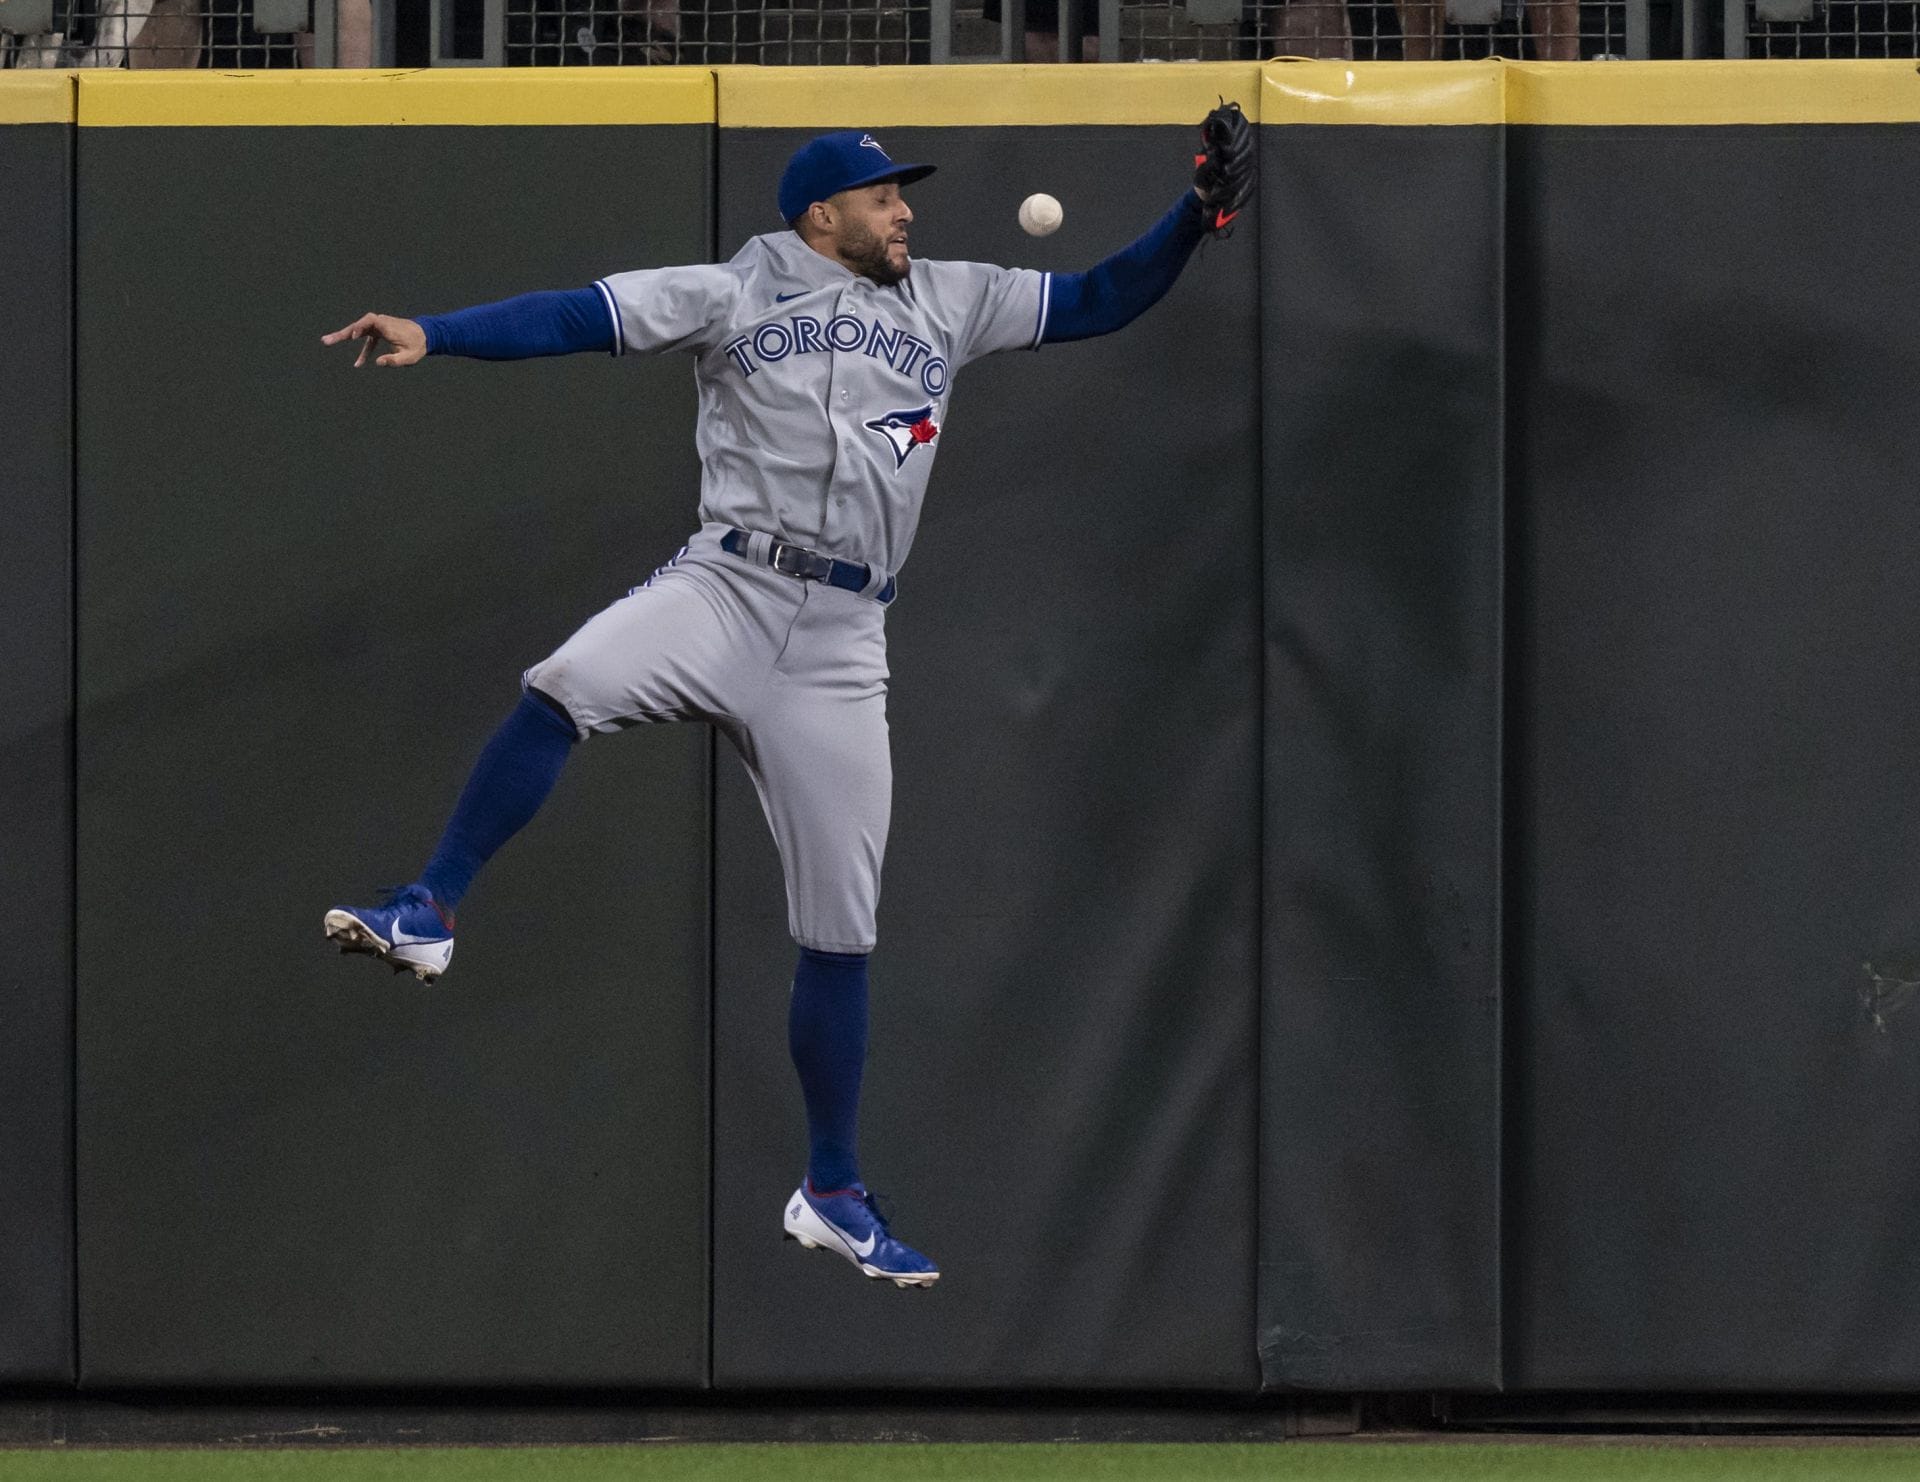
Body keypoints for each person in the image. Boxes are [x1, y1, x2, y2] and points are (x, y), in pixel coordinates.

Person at [318, 114, 1254, 1290]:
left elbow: (1104, 297)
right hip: (731, 586)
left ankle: (833, 1188)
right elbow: (579, 315)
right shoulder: (737, 287)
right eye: (881, 198)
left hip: (844, 640)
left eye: (901, 195)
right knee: (566, 684)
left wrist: (1197, 219)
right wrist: (434, 334)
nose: (904, 210)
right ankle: (430, 909)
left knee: (841, 923)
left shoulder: (952, 298)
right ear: (821, 216)